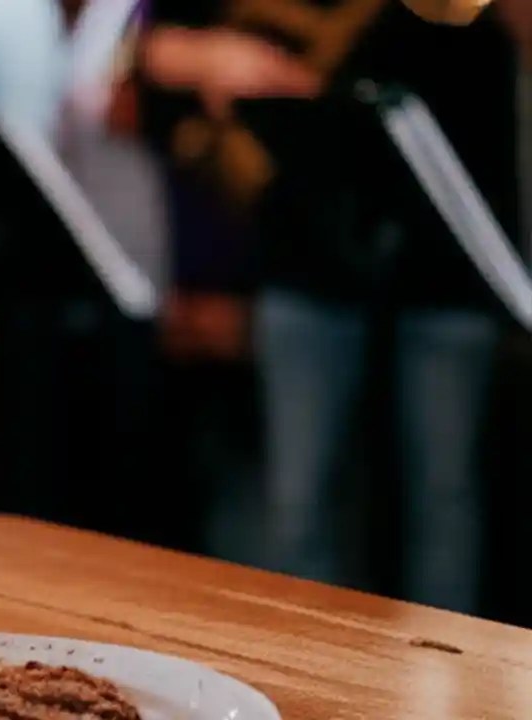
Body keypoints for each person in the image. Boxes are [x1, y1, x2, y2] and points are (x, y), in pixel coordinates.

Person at [144, 0, 521, 614]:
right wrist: (215, 57)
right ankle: (311, 660)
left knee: (442, 499)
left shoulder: (466, 38)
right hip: (309, 262)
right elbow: (146, 49)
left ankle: (446, 672)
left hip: (450, 269)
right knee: (301, 506)